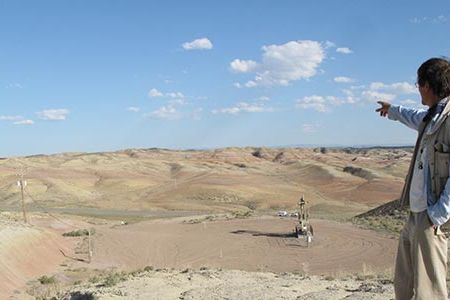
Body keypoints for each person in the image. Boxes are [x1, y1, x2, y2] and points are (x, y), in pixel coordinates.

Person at [376, 57, 450, 300]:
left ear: (427, 85)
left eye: (418, 84)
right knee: (404, 282)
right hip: (415, 213)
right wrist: (393, 110)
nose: (417, 88)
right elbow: (413, 115)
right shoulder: (432, 116)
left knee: (429, 289)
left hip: (430, 216)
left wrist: (436, 214)